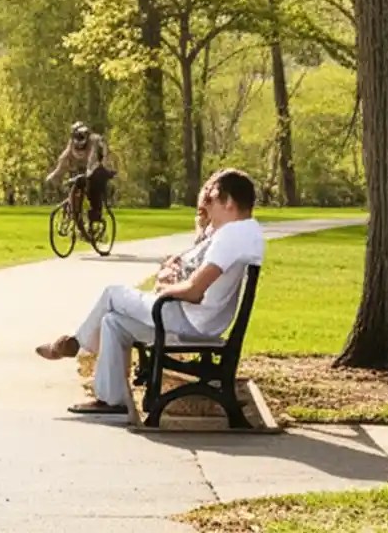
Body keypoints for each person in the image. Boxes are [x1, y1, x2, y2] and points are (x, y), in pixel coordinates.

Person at [35, 169, 264, 415]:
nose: (209, 204)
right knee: (113, 322)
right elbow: (199, 264)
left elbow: (195, 291)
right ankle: (112, 401)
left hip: (191, 320)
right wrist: (175, 269)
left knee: (113, 293)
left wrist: (164, 289)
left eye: (213, 198)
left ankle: (77, 344)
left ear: (228, 202)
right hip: (193, 317)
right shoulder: (239, 230)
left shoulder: (231, 236)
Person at [45, 122, 114, 224]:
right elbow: (64, 158)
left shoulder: (94, 141)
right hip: (83, 167)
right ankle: (74, 211)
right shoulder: (72, 144)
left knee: (94, 186)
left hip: (100, 165)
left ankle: (96, 213)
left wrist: (89, 172)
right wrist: (55, 174)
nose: (80, 141)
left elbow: (93, 158)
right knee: (75, 183)